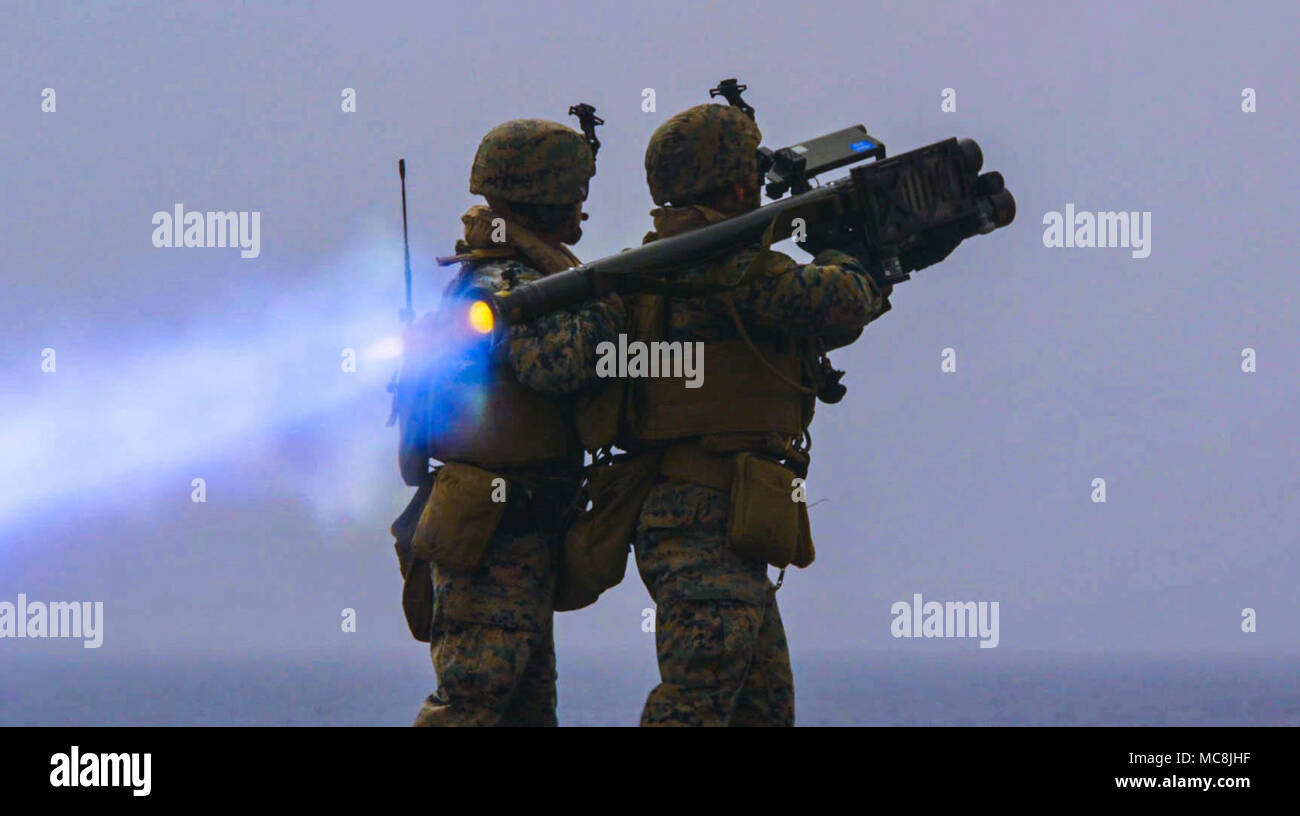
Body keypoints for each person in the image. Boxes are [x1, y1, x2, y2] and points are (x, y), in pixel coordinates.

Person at [395, 118, 621, 726]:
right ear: (544, 194)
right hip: (493, 530)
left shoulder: (518, 275)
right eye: (575, 191)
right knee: (472, 703)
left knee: (524, 710)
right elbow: (560, 364)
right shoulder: (506, 282)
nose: (582, 207)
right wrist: (615, 307)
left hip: (516, 525)